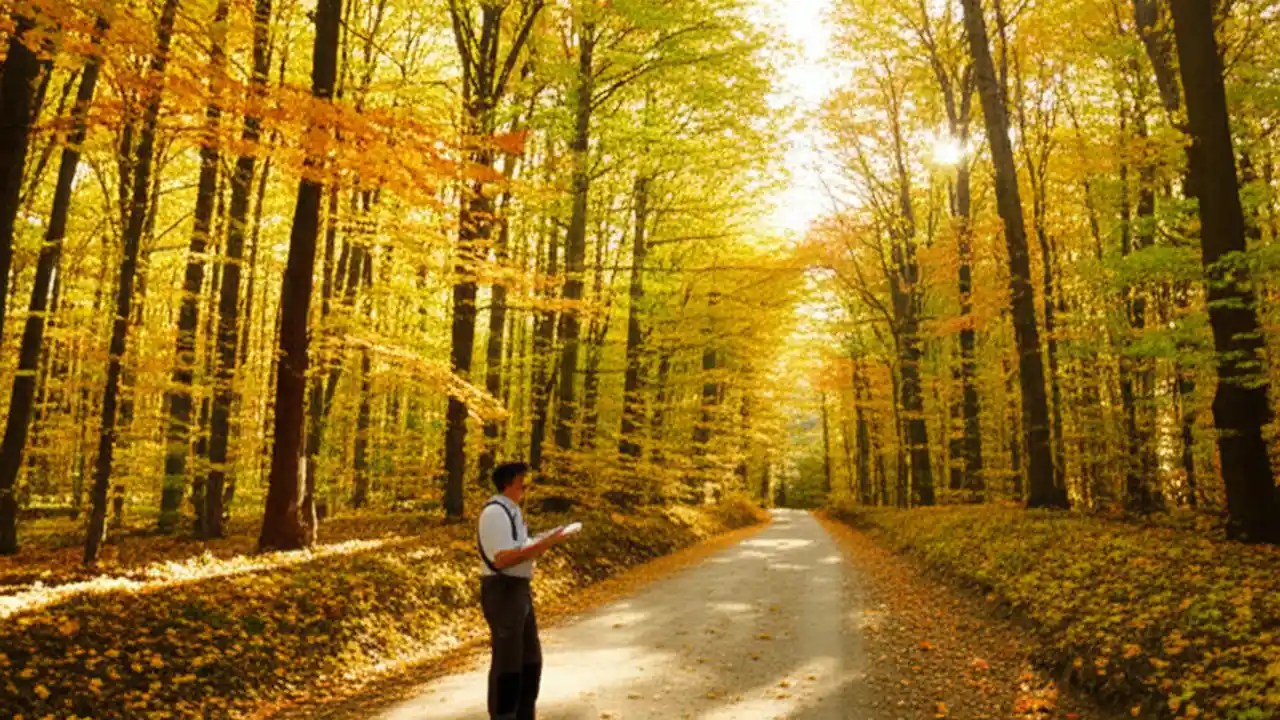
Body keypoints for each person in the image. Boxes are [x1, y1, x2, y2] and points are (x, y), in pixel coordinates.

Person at [477, 462, 572, 720]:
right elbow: (503, 559)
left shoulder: (514, 511)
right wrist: (545, 544)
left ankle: (524, 713)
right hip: (503, 590)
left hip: (519, 589)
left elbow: (518, 547)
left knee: (530, 660)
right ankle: (504, 715)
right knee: (508, 663)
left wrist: (542, 541)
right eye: (522, 480)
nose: (525, 486)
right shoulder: (495, 513)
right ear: (508, 482)